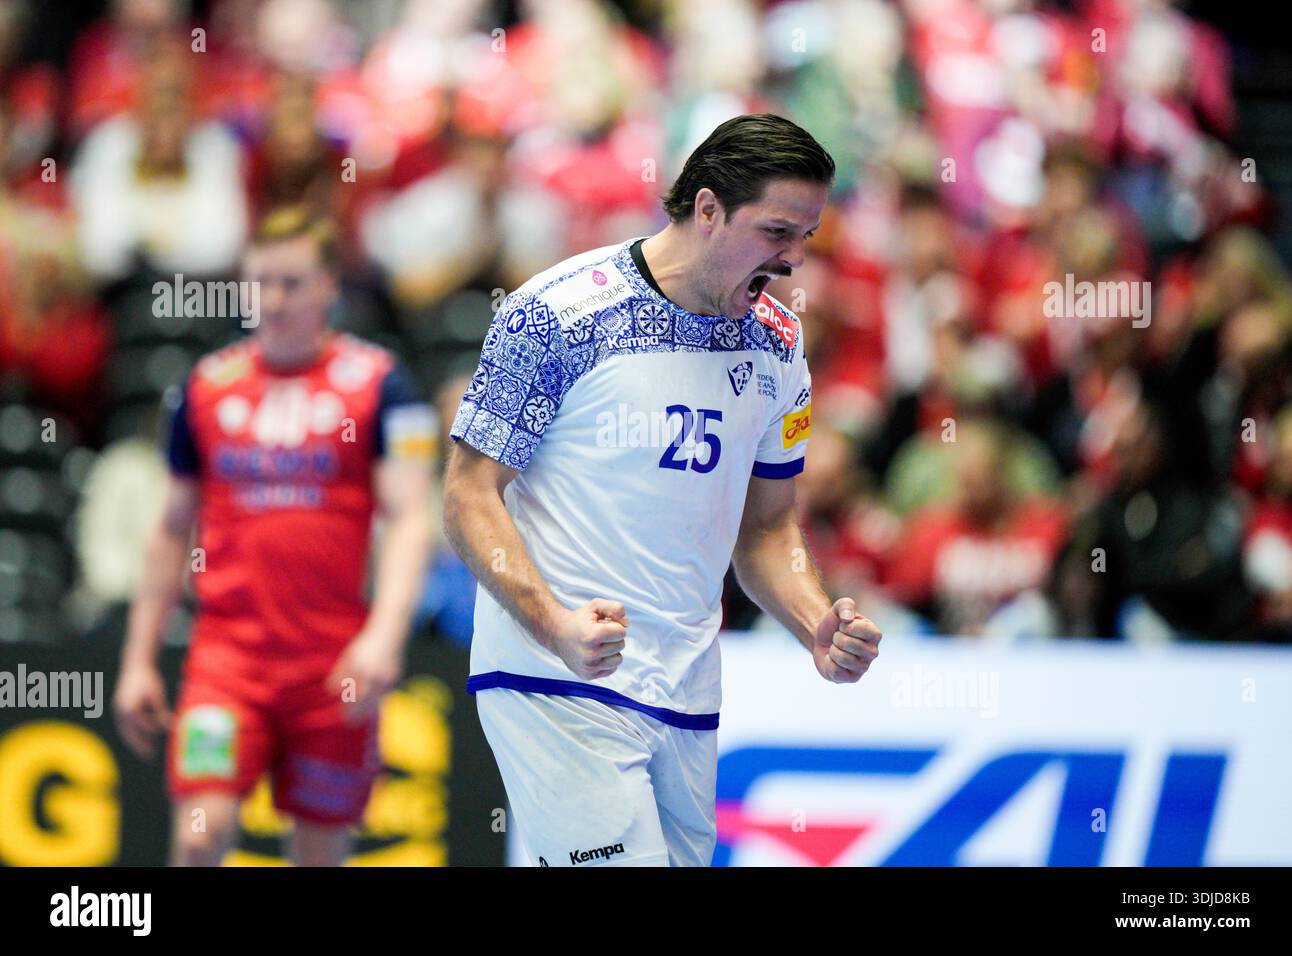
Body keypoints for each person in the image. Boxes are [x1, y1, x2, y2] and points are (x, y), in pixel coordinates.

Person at [442, 113, 882, 867]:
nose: (796, 258)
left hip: (685, 687)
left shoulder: (777, 343)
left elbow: (768, 531)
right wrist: (553, 625)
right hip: (555, 673)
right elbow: (468, 495)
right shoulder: (556, 315)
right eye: (778, 232)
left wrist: (816, 620)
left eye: (807, 236)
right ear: (707, 209)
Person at [112, 207, 435, 866]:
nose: (275, 300)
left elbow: (410, 518)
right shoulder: (205, 388)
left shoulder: (381, 386)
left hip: (334, 669)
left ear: (329, 287)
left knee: (320, 852)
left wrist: (384, 636)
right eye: (260, 282)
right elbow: (172, 529)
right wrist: (138, 659)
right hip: (226, 664)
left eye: (292, 282)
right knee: (201, 832)